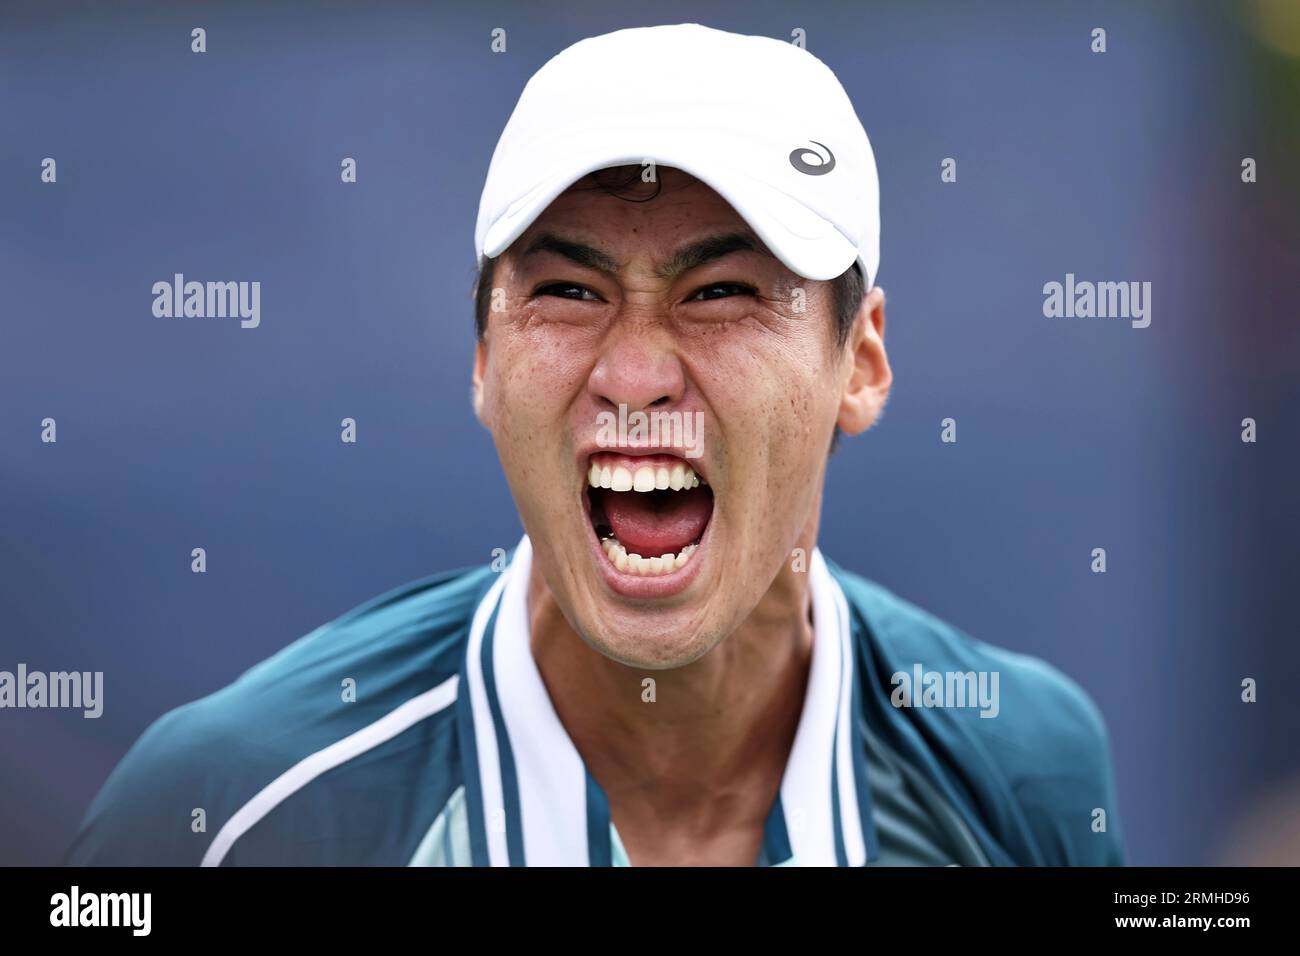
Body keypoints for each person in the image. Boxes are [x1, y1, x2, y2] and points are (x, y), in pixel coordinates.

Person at [69, 23, 1123, 867]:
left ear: (861, 361)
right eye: (568, 292)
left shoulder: (1023, 766)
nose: (634, 374)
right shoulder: (226, 807)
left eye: (720, 293)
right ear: (483, 357)